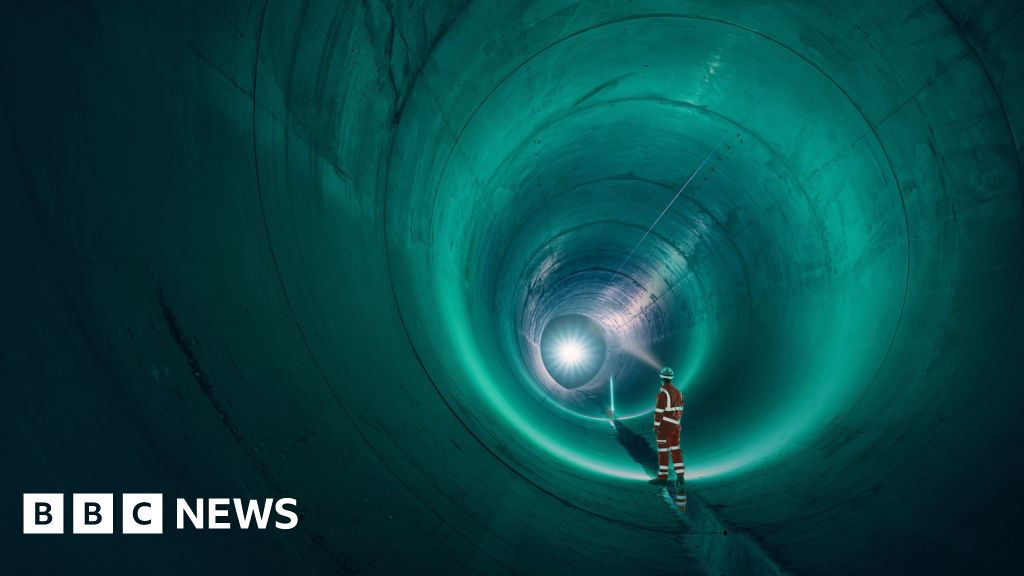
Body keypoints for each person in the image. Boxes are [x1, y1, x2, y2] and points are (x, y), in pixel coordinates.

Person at [650, 367, 687, 510]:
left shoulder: (662, 393)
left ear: (661, 378)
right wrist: (675, 422)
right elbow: (681, 410)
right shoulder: (679, 392)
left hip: (665, 426)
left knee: (663, 451)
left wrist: (656, 426)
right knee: (676, 450)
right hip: (676, 426)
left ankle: (663, 477)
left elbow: (659, 412)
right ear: (671, 378)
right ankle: (680, 476)